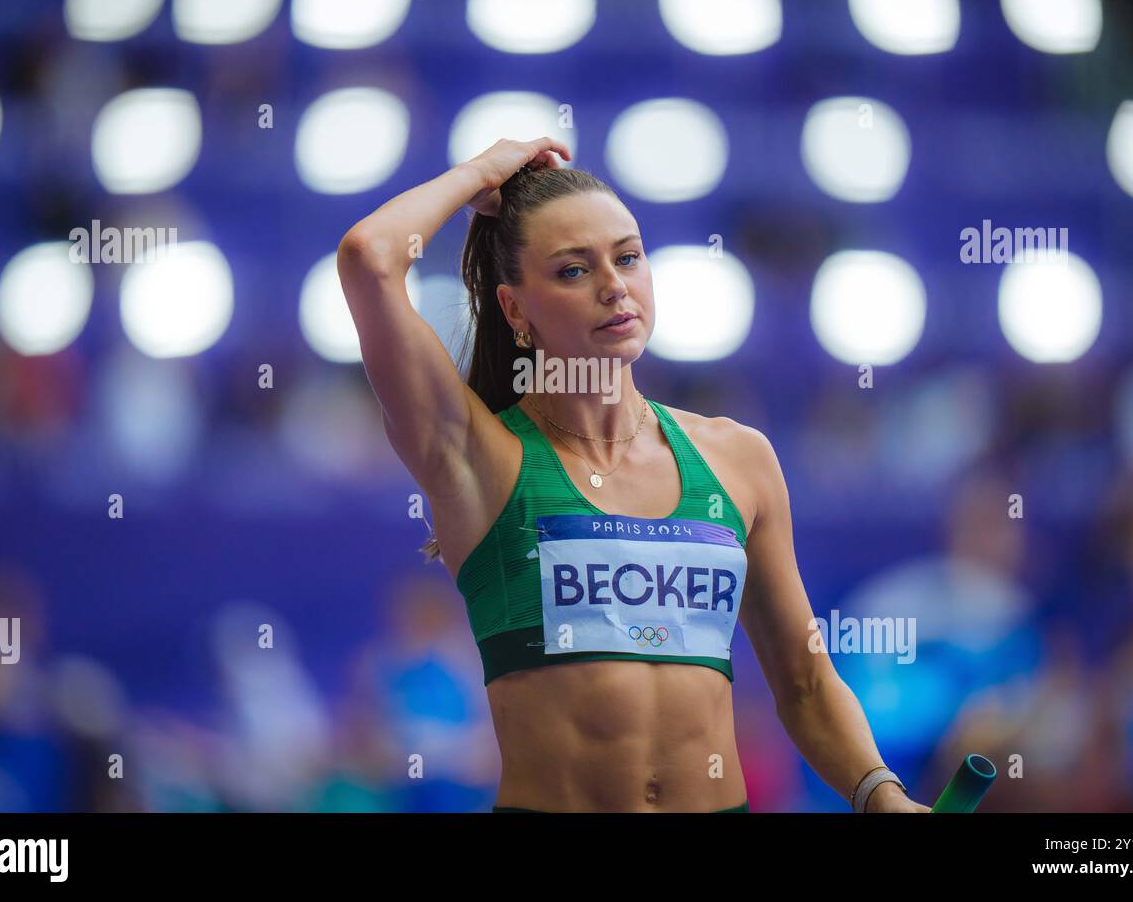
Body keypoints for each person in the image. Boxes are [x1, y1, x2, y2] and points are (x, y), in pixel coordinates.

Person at [336, 136, 929, 813]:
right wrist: (478, 173)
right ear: (515, 310)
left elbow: (805, 681)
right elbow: (369, 258)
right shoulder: (479, 458)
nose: (614, 285)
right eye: (572, 271)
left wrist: (881, 793)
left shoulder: (738, 460)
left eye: (627, 257)